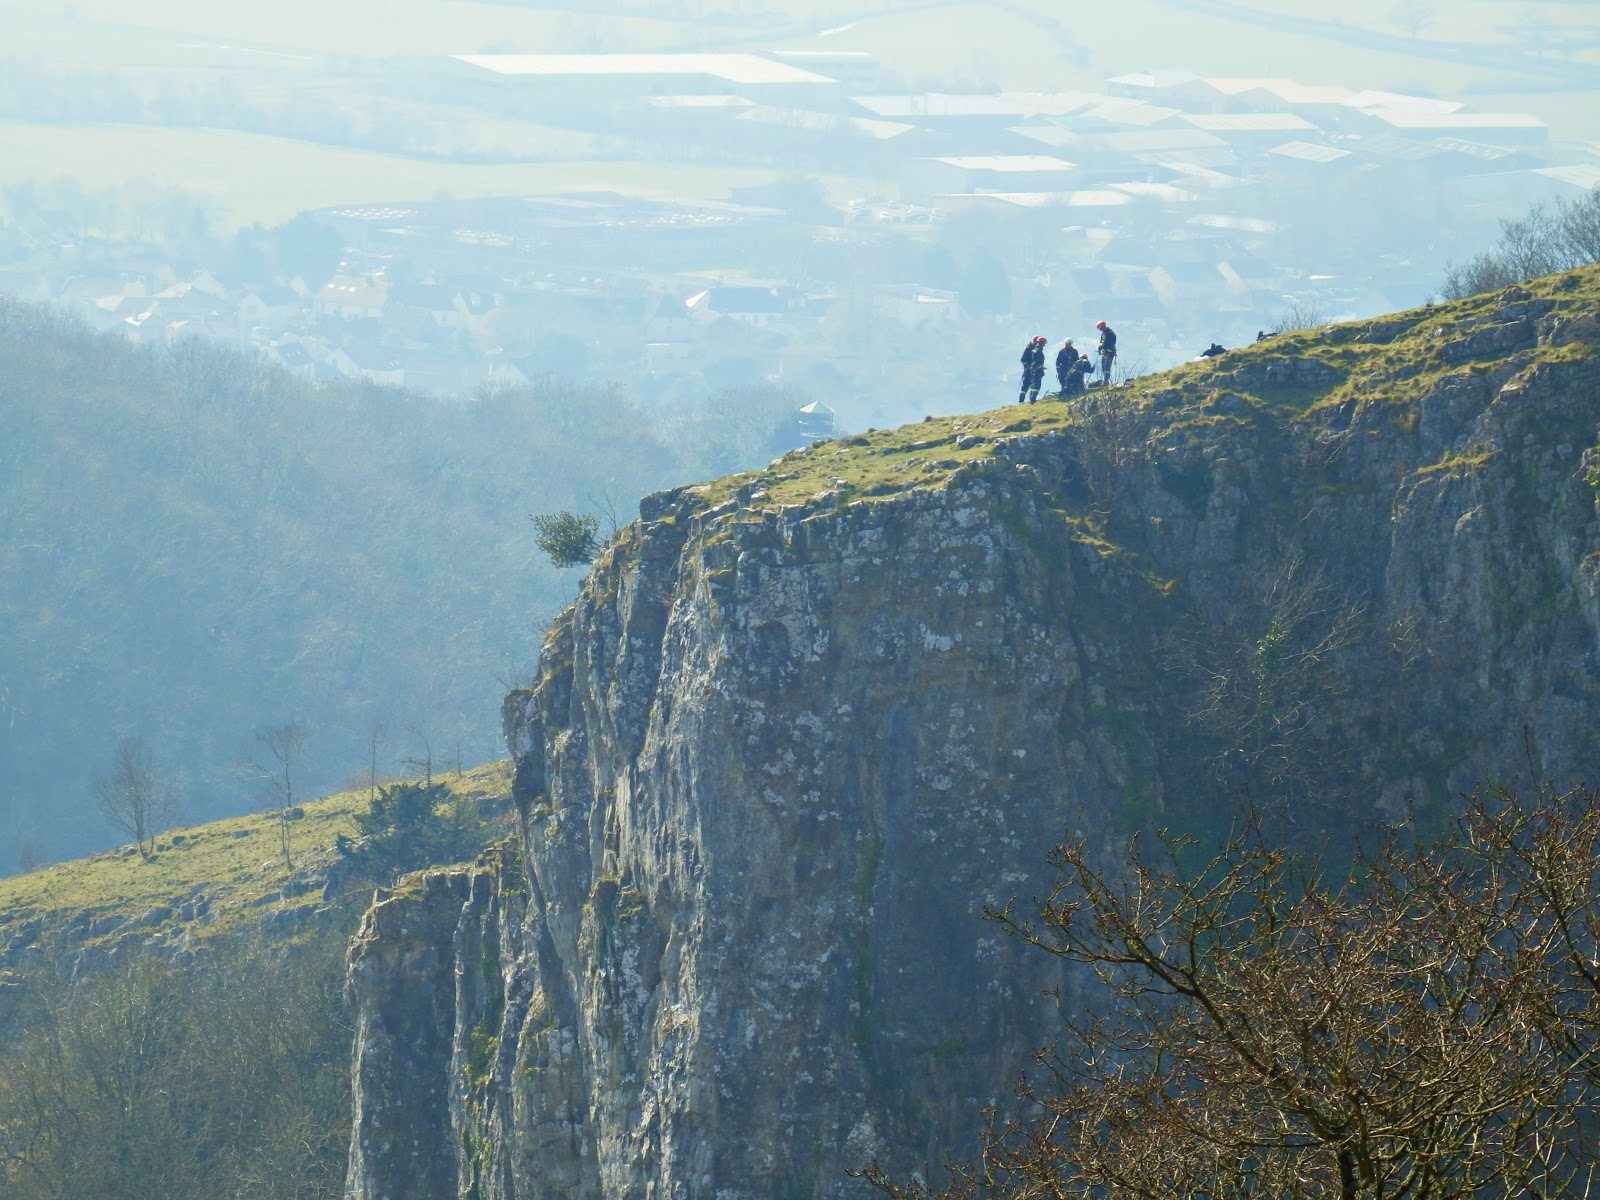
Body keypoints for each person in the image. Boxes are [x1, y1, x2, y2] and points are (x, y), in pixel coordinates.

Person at [1018, 335, 1047, 404]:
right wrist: (1027, 367)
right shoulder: (1029, 348)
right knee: (1026, 385)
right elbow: (1023, 359)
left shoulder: (1034, 349)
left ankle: (1031, 399)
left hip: (1032, 369)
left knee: (1032, 385)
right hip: (1029, 370)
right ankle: (1023, 401)